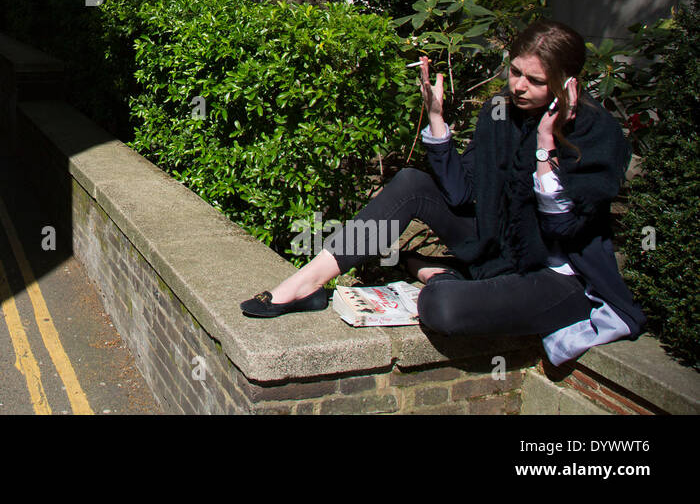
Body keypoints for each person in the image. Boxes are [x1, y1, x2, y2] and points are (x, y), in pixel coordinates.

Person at [239, 18, 646, 366]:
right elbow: (461, 193)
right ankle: (308, 283)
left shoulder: (595, 132)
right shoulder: (500, 110)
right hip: (499, 244)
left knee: (442, 308)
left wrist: (545, 148)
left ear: (567, 83)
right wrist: (436, 119)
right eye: (515, 72)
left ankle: (431, 271)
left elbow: (567, 230)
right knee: (411, 183)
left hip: (557, 276)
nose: (518, 86)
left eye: (535, 80)